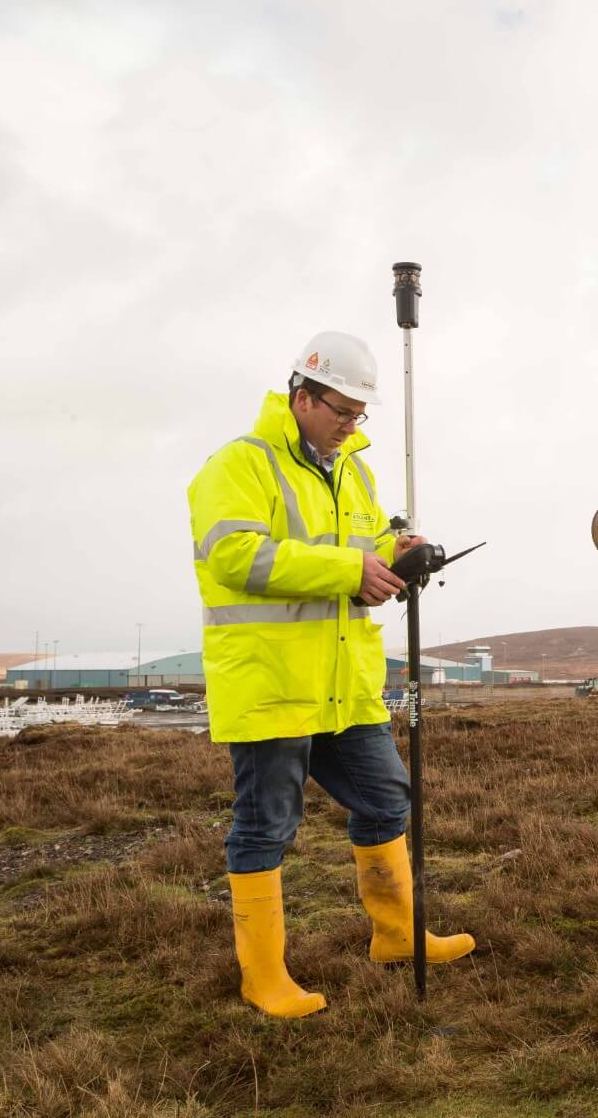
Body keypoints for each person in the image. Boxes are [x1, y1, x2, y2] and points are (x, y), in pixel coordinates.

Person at [186, 330, 473, 1019]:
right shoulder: (239, 464)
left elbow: (363, 545)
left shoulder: (355, 472)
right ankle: (263, 978)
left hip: (346, 686)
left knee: (386, 798)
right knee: (266, 826)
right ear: (300, 396)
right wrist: (351, 570)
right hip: (271, 684)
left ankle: (396, 937)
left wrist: (394, 553)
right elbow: (234, 557)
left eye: (358, 414)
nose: (350, 426)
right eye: (340, 411)